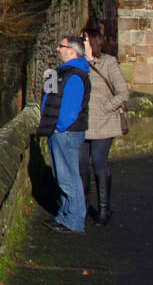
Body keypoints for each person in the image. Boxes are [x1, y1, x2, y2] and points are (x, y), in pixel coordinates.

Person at [37, 36, 91, 233]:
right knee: (61, 176)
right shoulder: (62, 73)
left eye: (61, 46)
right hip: (58, 131)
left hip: (66, 132)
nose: (57, 49)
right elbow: (48, 99)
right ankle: (65, 216)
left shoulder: (75, 75)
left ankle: (75, 221)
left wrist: (59, 127)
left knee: (68, 178)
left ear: (72, 51)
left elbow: (71, 109)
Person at [80, 26, 130, 225]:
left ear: (92, 42)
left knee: (99, 163)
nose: (80, 42)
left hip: (104, 122)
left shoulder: (108, 62)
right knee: (81, 166)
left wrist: (107, 107)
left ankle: (103, 210)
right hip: (81, 123)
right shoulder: (76, 63)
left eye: (83, 39)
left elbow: (123, 92)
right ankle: (82, 208)